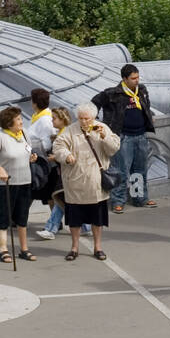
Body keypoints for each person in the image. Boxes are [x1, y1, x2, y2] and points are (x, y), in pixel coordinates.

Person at [52, 102, 119, 260]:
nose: (84, 122)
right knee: (74, 219)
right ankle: (74, 247)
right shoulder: (70, 130)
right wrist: (66, 155)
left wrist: (104, 137)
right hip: (75, 181)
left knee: (97, 218)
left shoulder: (101, 128)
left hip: (96, 182)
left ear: (94, 117)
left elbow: (114, 148)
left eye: (87, 119)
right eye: (81, 118)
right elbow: (58, 146)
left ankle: (98, 247)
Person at [92, 64, 158, 213]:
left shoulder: (141, 90)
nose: (136, 80)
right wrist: (97, 123)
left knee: (139, 170)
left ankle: (139, 198)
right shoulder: (113, 93)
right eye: (133, 78)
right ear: (124, 79)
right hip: (123, 137)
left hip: (141, 135)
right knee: (120, 171)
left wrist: (149, 117)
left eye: (137, 77)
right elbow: (94, 103)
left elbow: (147, 106)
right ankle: (118, 201)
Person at [0, 106, 37, 263]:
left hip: (25, 181)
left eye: (21, 119)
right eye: (18, 119)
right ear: (9, 122)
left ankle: (24, 249)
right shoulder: (0, 136)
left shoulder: (24, 133)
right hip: (6, 183)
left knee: (22, 216)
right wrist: (0, 169)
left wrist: (31, 158)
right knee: (3, 217)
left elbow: (25, 151)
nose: (22, 121)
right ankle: (2, 249)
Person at [26, 88, 60, 239]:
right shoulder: (39, 116)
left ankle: (18, 219)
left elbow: (47, 143)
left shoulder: (45, 119)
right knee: (46, 193)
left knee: (46, 192)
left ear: (34, 103)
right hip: (41, 160)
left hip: (44, 161)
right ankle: (55, 222)